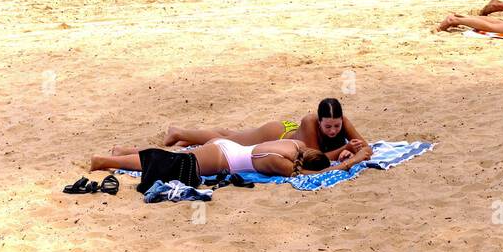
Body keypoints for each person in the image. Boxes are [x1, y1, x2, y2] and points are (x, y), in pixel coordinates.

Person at [156, 98, 372, 168]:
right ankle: (179, 132)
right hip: (276, 135)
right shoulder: (309, 122)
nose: (334, 130)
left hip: (284, 136)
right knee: (227, 140)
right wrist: (346, 149)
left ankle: (184, 138)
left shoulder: (342, 121)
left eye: (336, 126)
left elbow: (366, 146)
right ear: (320, 120)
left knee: (229, 133)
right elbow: (314, 157)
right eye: (328, 127)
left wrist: (352, 149)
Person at [89, 138, 336, 179]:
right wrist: (348, 162)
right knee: (172, 163)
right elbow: (303, 177)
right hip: (221, 157)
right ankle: (105, 161)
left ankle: (123, 151)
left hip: (226, 147)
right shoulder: (281, 164)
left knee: (175, 156)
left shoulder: (297, 145)